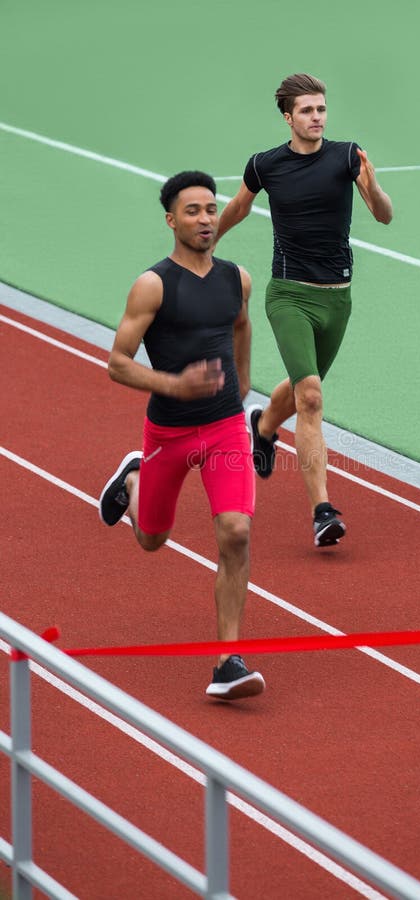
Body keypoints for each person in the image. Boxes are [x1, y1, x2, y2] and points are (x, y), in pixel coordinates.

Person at [98, 170, 265, 701]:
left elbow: (241, 325)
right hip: (168, 434)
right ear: (171, 220)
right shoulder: (153, 285)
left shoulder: (236, 278)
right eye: (193, 211)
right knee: (152, 539)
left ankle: (228, 662)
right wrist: (175, 384)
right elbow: (118, 363)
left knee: (236, 532)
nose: (205, 219)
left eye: (211, 209)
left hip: (225, 428)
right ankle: (132, 481)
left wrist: (241, 384)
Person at [215, 73, 393, 548]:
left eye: (321, 109)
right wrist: (208, 245)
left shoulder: (347, 156)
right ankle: (322, 512)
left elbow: (383, 215)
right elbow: (238, 207)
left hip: (338, 299)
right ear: (288, 117)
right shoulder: (265, 165)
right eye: (307, 111)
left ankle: (263, 426)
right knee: (311, 396)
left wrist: (373, 186)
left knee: (301, 387)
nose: (317, 118)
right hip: (289, 296)